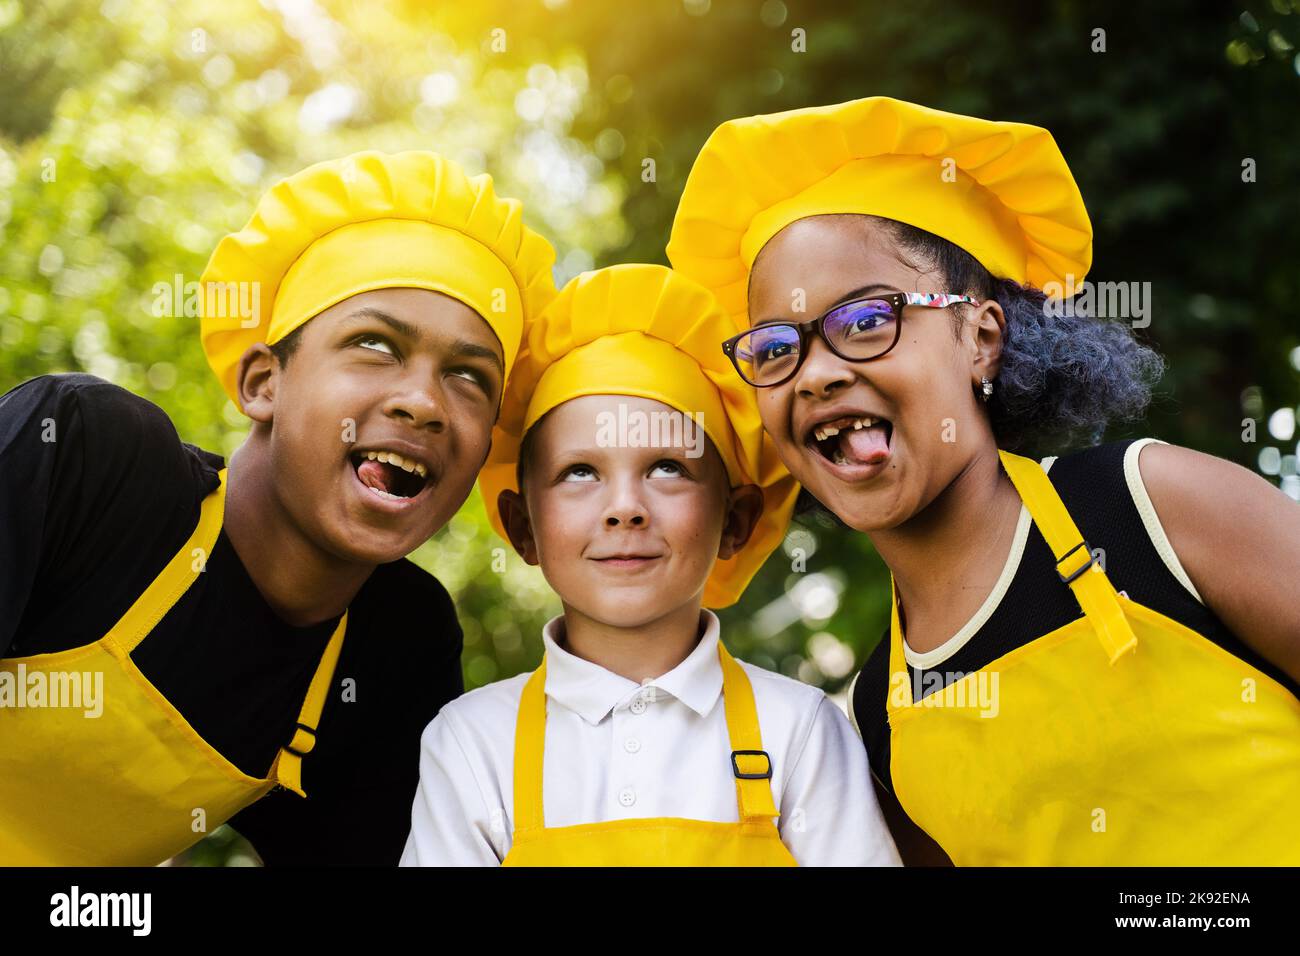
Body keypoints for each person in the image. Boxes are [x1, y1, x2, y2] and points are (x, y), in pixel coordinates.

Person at [667, 96, 1300, 865]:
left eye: (867, 321)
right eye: (775, 349)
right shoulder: (878, 715)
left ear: (982, 338)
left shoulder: (1152, 508)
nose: (818, 374)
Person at [0, 150, 557, 865]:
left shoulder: (393, 647)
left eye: (469, 377)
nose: (423, 402)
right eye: (375, 345)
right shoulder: (89, 457)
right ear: (264, 382)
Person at [400, 264, 901, 866]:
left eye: (667, 468)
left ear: (735, 520)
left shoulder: (802, 733)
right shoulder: (470, 743)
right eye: (579, 472)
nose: (625, 509)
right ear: (523, 527)